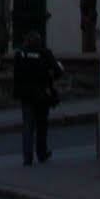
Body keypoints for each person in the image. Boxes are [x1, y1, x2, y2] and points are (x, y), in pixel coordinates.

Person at [13, 29, 61, 167]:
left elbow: (16, 76)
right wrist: (50, 79)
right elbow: (57, 71)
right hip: (41, 93)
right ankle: (42, 153)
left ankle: (27, 157)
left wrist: (17, 91)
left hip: (26, 94)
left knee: (28, 125)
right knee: (41, 125)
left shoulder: (20, 54)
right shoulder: (45, 53)